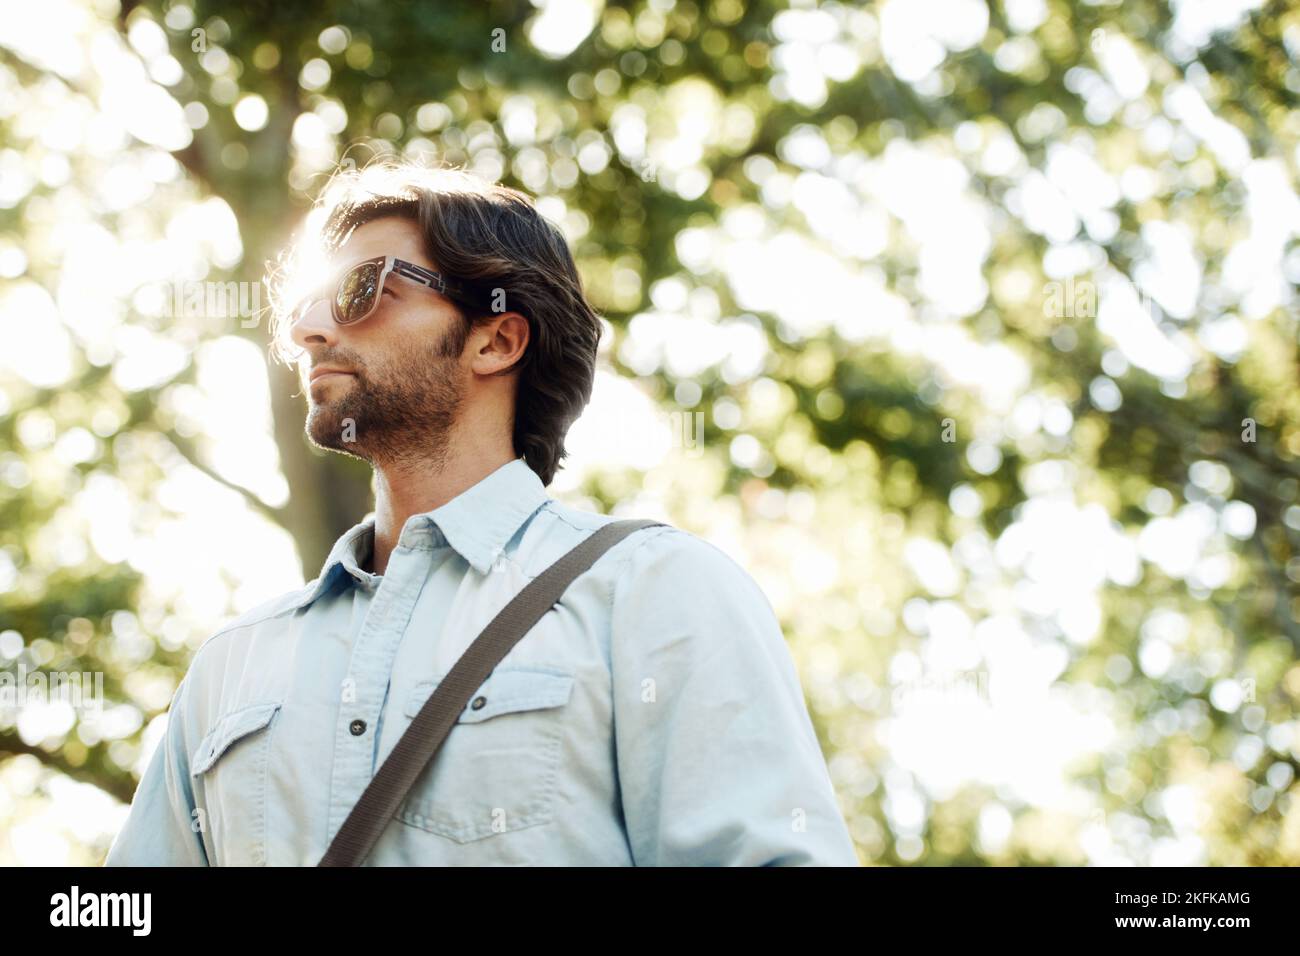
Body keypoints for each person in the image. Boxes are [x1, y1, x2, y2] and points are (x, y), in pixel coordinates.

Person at [104, 162, 858, 866]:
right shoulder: (228, 667)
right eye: (302, 305)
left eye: (361, 289)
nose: (310, 330)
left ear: (496, 338)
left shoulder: (654, 594)